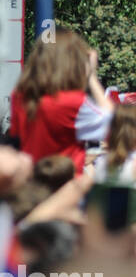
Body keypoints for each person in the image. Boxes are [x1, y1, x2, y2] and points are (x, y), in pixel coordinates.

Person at [8, 29, 114, 172]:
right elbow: (114, 123)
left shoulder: (20, 96)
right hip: (65, 185)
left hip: (30, 184)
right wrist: (91, 77)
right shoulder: (73, 102)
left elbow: (17, 137)